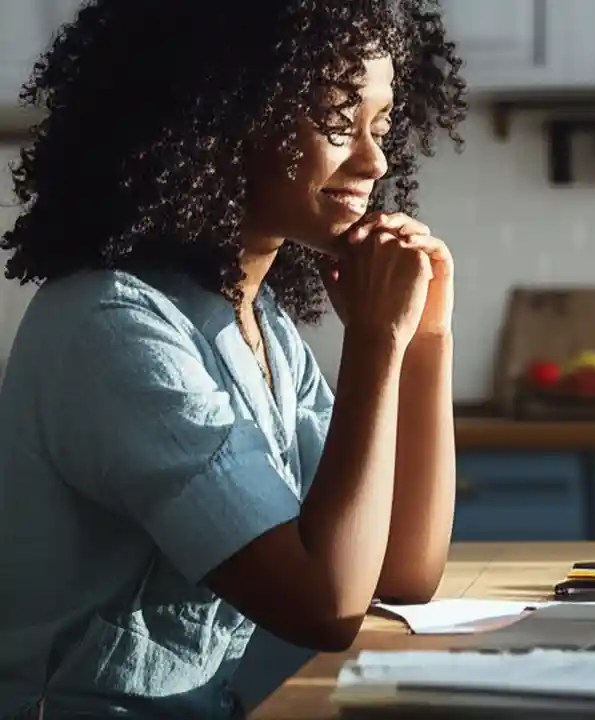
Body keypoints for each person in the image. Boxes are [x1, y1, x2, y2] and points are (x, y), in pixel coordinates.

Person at [0, 1, 466, 717]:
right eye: (339, 121)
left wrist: (424, 341)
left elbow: (402, 574)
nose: (374, 160)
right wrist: (373, 342)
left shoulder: (257, 324)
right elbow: (326, 607)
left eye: (381, 124)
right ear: (220, 120)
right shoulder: (114, 328)